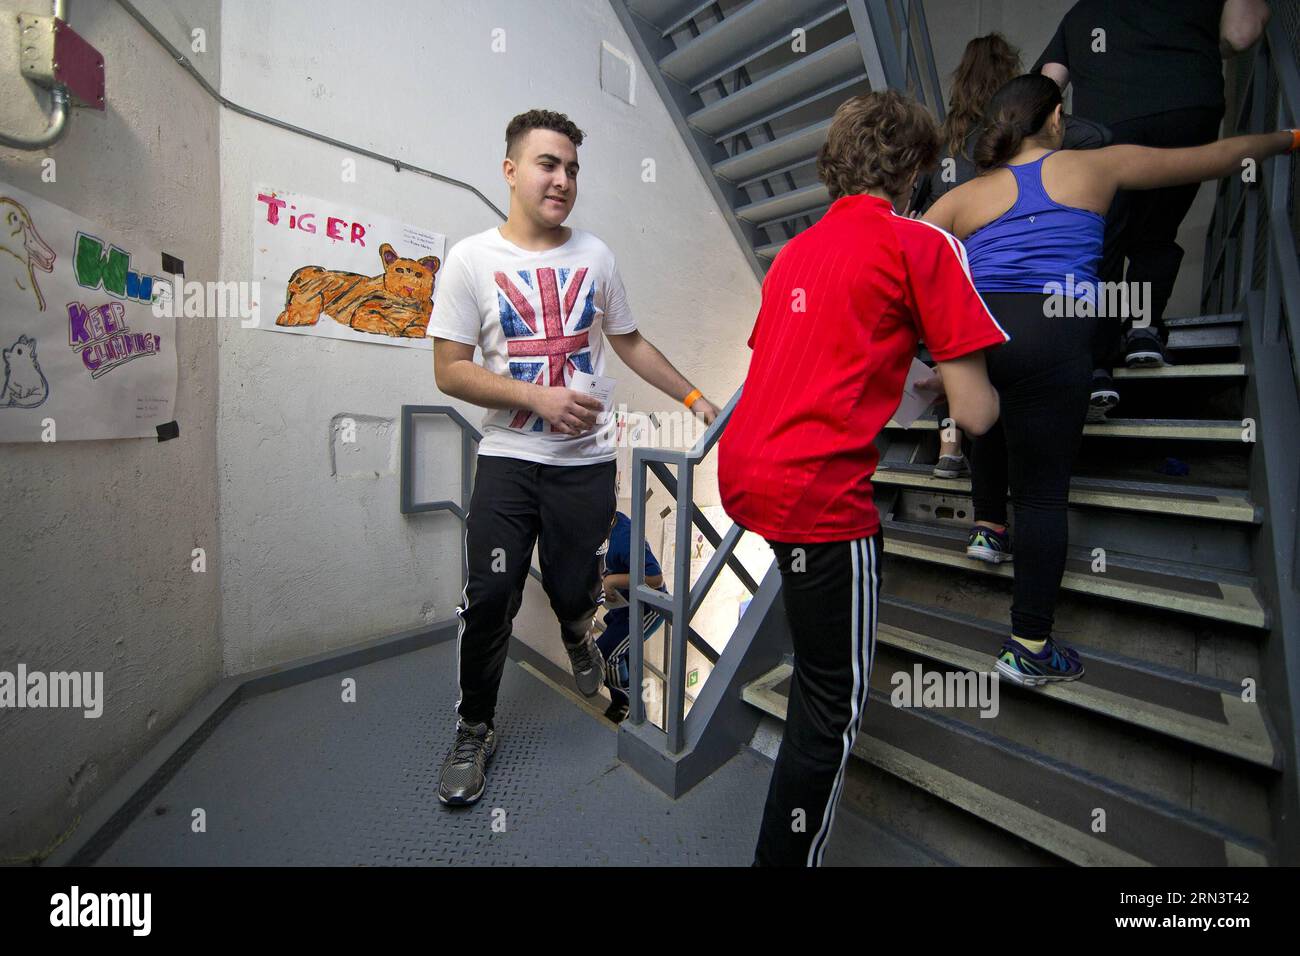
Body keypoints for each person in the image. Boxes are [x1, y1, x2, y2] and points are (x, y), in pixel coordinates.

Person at [923, 73, 1296, 685]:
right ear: (1053, 118)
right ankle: (1029, 646)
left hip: (986, 332)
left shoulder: (965, 198)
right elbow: (1207, 157)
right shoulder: (1095, 166)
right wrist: (1286, 138)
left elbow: (903, 254)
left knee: (988, 428)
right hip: (1058, 329)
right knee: (1042, 495)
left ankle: (988, 531)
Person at [719, 90, 1006, 866]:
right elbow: (976, 416)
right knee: (829, 707)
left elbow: (804, 360)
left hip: (748, 474)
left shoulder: (795, 254)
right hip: (817, 494)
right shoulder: (920, 245)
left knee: (814, 657)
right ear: (915, 168)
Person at [428, 109, 720, 806]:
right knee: (490, 594)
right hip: (508, 455)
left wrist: (696, 397)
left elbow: (630, 341)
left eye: (572, 168)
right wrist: (539, 397)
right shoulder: (471, 260)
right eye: (547, 164)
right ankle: (474, 728)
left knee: (571, 590)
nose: (563, 179)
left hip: (585, 464)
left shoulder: (594, 255)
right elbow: (449, 369)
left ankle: (579, 639)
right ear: (510, 170)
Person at [1033, 0, 1272, 418]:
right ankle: (1143, 330)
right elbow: (1239, 35)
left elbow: (1045, 85)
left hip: (1108, 128)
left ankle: (1098, 368)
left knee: (1104, 241)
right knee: (1158, 229)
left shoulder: (1084, 13)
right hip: (1188, 111)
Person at [913, 33, 1110, 474]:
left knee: (952, 351)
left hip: (958, 276)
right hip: (1014, 288)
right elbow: (1097, 136)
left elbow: (921, 201)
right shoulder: (1015, 139)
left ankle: (949, 447)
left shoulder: (947, 142)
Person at [595, 510, 668, 723]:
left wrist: (612, 581)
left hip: (648, 609)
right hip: (623, 608)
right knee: (623, 660)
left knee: (607, 655)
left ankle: (624, 701)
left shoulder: (625, 536)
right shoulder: (594, 530)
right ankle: (638, 719)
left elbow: (655, 578)